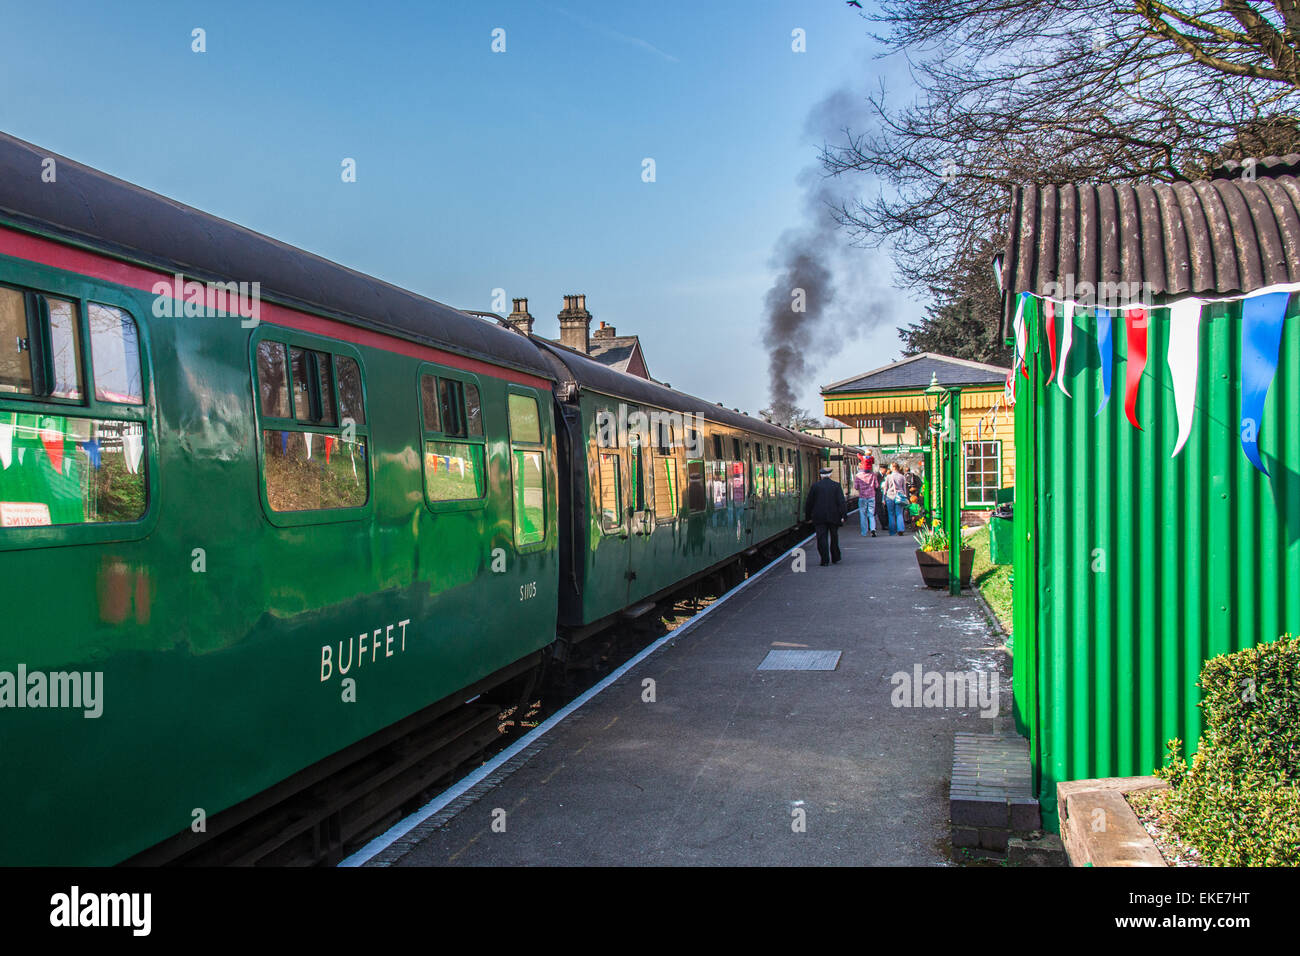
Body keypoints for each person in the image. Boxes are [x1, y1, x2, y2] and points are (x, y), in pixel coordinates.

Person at [804, 465, 846, 566]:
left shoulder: (815, 486)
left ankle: (824, 560)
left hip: (819, 517)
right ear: (830, 475)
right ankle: (835, 557)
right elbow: (841, 502)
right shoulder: (836, 485)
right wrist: (843, 515)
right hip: (834, 516)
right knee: (834, 537)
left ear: (821, 476)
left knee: (821, 538)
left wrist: (808, 517)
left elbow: (809, 502)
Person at [853, 461, 879, 537]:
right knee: (871, 514)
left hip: (862, 497)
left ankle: (864, 532)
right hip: (871, 497)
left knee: (863, 514)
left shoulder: (858, 475)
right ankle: (873, 529)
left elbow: (856, 487)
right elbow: (876, 486)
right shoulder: (873, 475)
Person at [884, 463, 909, 536]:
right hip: (900, 496)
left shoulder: (888, 477)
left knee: (891, 514)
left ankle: (892, 531)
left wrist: (884, 498)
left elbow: (885, 488)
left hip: (890, 496)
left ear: (892, 468)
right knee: (899, 513)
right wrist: (905, 497)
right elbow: (904, 488)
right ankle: (900, 529)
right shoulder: (902, 477)